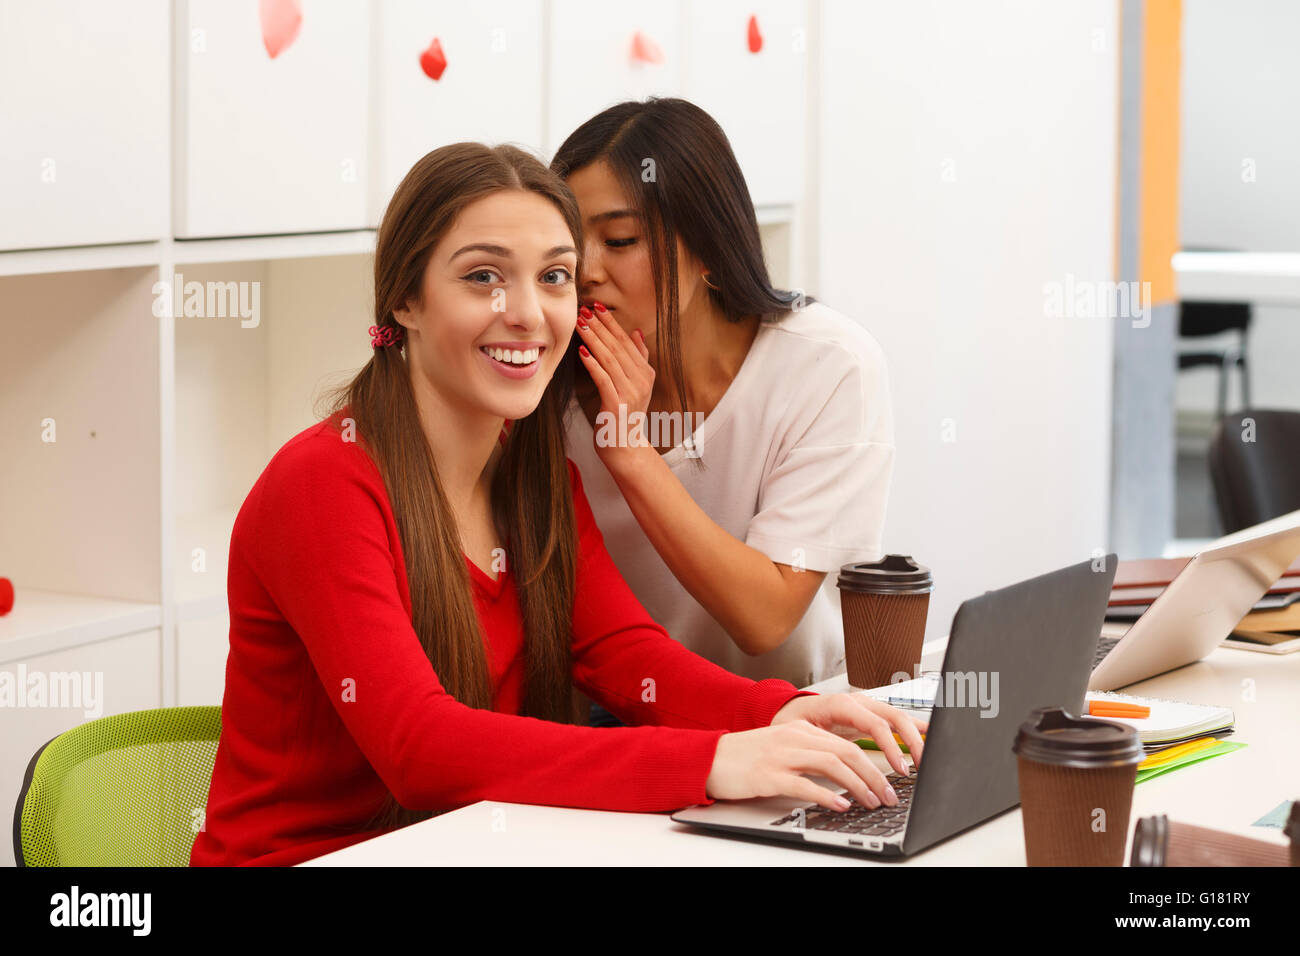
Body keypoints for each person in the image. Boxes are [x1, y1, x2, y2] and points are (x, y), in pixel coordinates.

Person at [189, 142, 923, 867]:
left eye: (555, 277)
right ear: (405, 300)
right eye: (483, 277)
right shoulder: (321, 483)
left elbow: (620, 653)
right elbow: (419, 746)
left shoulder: (534, 475)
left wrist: (775, 711)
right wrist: (710, 761)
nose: (528, 313)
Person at [551, 99, 896, 728]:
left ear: (708, 246)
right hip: (617, 731)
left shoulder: (826, 365)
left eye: (620, 240)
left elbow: (765, 617)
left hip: (795, 720)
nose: (586, 272)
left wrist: (630, 453)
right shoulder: (546, 387)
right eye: (569, 249)